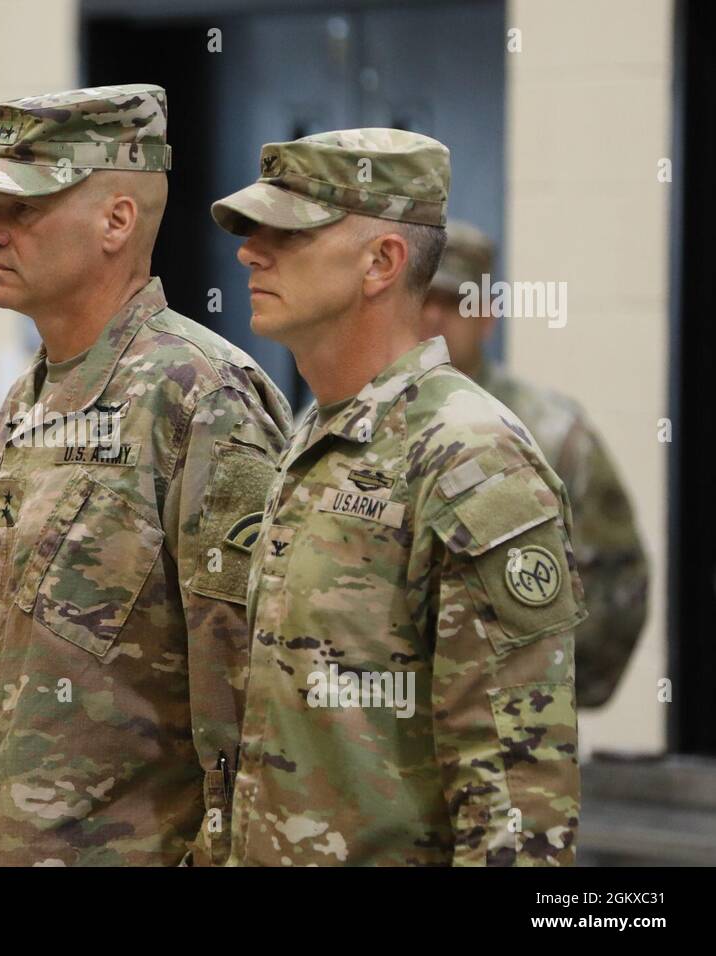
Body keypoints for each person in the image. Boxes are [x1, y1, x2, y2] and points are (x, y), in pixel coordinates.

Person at [213, 129, 584, 865]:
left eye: (287, 233)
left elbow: (517, 810)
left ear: (382, 262)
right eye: (253, 232)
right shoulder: (316, 434)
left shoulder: (472, 458)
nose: (250, 252)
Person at [0, 84, 292, 865]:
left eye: (21, 209)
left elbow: (253, 720)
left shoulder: (201, 397)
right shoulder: (26, 403)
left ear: (116, 220)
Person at [422, 221, 649, 707]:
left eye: (456, 303)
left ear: (488, 316)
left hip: (512, 730)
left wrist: (549, 690)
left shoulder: (552, 432)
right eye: (423, 298)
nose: (435, 318)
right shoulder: (351, 419)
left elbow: (618, 581)